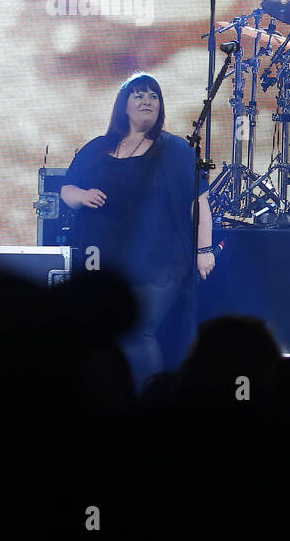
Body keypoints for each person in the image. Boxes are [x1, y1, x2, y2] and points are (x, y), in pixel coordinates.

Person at [60, 73, 215, 387]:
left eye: (153, 96)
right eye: (139, 95)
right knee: (104, 335)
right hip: (103, 263)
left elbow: (198, 204)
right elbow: (66, 189)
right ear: (124, 105)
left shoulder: (175, 151)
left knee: (138, 331)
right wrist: (81, 195)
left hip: (160, 263)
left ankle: (144, 399)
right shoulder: (98, 148)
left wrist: (204, 249)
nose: (147, 101)